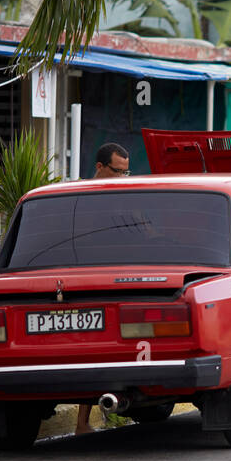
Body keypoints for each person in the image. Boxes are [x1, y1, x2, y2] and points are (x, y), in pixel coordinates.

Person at [76, 143, 131, 434]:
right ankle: (82, 422)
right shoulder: (79, 197)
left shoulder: (122, 199)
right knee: (89, 348)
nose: (122, 178)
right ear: (99, 167)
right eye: (116, 171)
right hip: (84, 282)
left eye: (126, 172)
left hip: (115, 282)